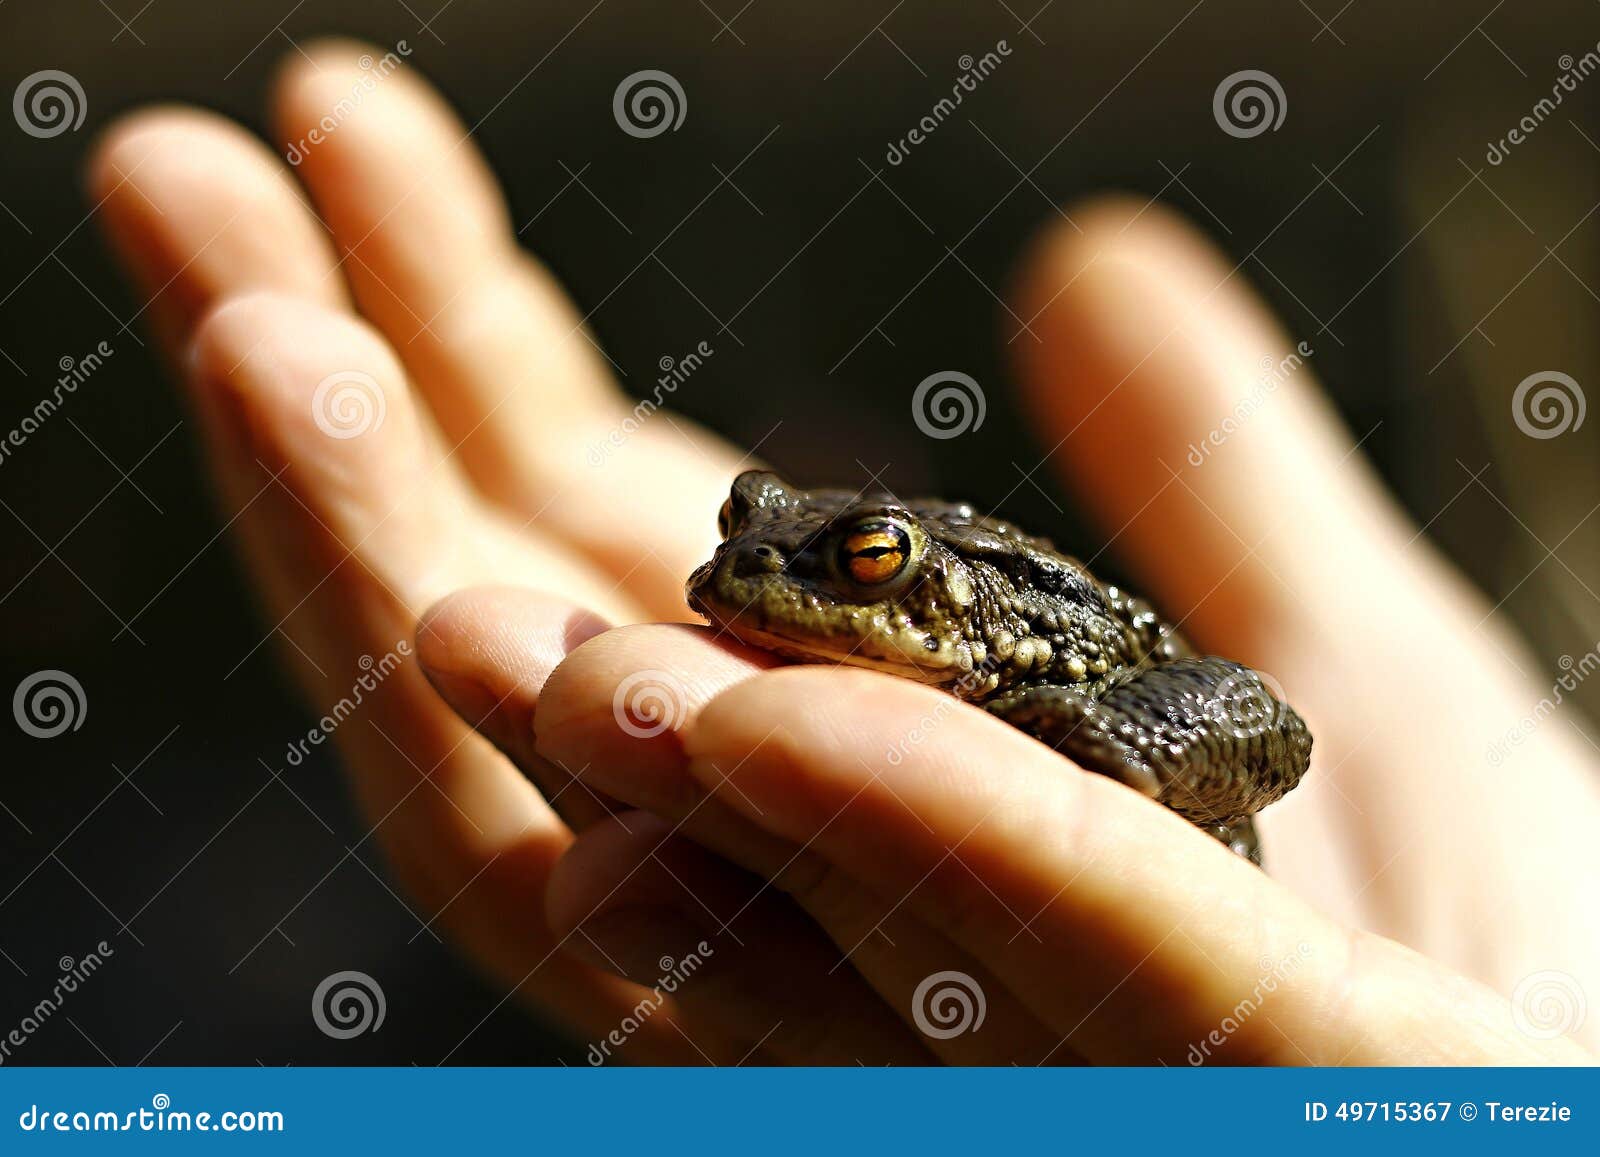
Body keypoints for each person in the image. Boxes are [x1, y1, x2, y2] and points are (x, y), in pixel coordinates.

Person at [90, 40, 1597, 1064]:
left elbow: (1267, 722)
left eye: (857, 561)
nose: (770, 577)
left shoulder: (1023, 649)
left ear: (917, 582)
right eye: (754, 537)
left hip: (1141, 736)